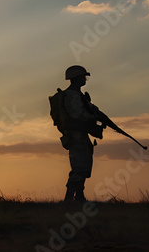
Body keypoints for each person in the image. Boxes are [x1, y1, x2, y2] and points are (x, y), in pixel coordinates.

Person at [53, 65, 104, 202]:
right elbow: (78, 115)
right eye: (83, 77)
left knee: (83, 166)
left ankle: (79, 197)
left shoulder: (77, 95)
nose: (85, 79)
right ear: (76, 78)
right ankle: (69, 198)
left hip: (79, 135)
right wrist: (92, 117)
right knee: (80, 168)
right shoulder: (72, 96)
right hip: (77, 136)